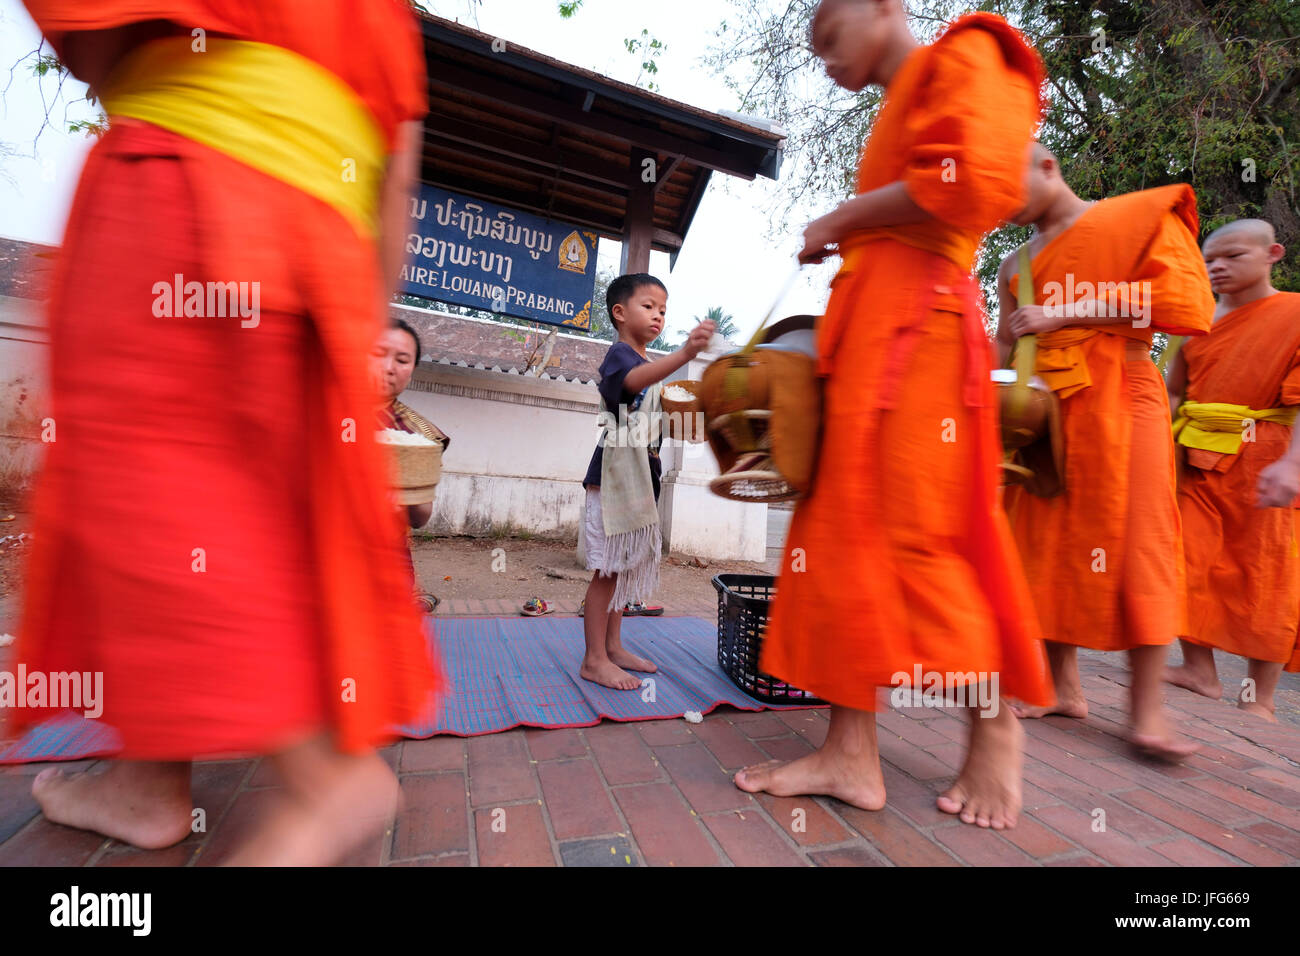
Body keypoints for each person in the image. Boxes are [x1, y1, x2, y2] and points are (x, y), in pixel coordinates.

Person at [7, 0, 441, 865]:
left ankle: (327, 777)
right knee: (232, 506)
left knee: (157, 499)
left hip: (181, 197)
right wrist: (358, 322)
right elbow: (398, 176)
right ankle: (146, 774)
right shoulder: (388, 16)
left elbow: (98, 47)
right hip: (319, 255)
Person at [734, 0, 1053, 830]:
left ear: (884, 8)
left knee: (926, 532)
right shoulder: (895, 104)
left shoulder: (966, 54)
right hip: (867, 340)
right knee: (840, 538)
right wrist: (847, 235)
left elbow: (975, 181)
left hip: (923, 343)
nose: (822, 59)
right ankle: (850, 752)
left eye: (827, 36)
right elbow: (910, 203)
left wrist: (842, 218)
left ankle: (995, 725)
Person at [996, 145, 1214, 760]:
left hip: (1125, 393)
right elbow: (1001, 354)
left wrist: (1063, 312)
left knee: (1141, 542)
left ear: (1044, 167)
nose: (1004, 207)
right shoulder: (1014, 263)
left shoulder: (1134, 219)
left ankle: (1146, 713)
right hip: (1042, 409)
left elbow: (1179, 308)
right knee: (1043, 541)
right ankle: (1061, 687)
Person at [1164, 219, 1300, 721]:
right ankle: (1198, 670)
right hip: (1194, 455)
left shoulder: (1295, 312)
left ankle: (1257, 697)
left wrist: (1294, 465)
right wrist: (1164, 446)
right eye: (1209, 261)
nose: (1217, 267)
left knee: (1266, 575)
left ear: (1273, 254)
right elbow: (1175, 389)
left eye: (1232, 256)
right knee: (1185, 561)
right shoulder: (1194, 316)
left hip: (1266, 457)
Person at [579, 274, 713, 690]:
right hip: (614, 478)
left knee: (622, 569)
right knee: (607, 570)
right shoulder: (621, 357)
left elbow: (656, 425)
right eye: (649, 306)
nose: (658, 315)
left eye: (663, 310)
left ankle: (614, 646)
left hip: (643, 475)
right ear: (620, 313)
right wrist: (686, 351)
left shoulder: (648, 366)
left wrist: (693, 419)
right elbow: (633, 385)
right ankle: (593, 659)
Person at [372, 317, 450, 611]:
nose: (388, 367)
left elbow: (420, 517)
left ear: (412, 370)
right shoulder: (318, 409)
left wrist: (401, 498)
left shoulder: (421, 436)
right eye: (377, 353)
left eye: (402, 360)